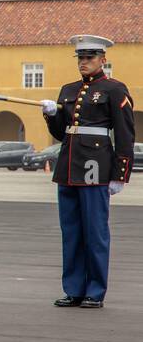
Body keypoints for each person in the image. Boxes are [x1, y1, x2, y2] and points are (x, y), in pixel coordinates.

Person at [40, 35, 135, 309]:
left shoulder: (114, 89)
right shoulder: (68, 89)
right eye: (80, 58)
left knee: (94, 232)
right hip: (69, 167)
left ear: (103, 59)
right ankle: (74, 289)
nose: (84, 62)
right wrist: (51, 114)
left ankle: (94, 290)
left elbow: (125, 133)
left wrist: (120, 173)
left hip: (96, 167)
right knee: (71, 232)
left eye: (89, 57)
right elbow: (61, 133)